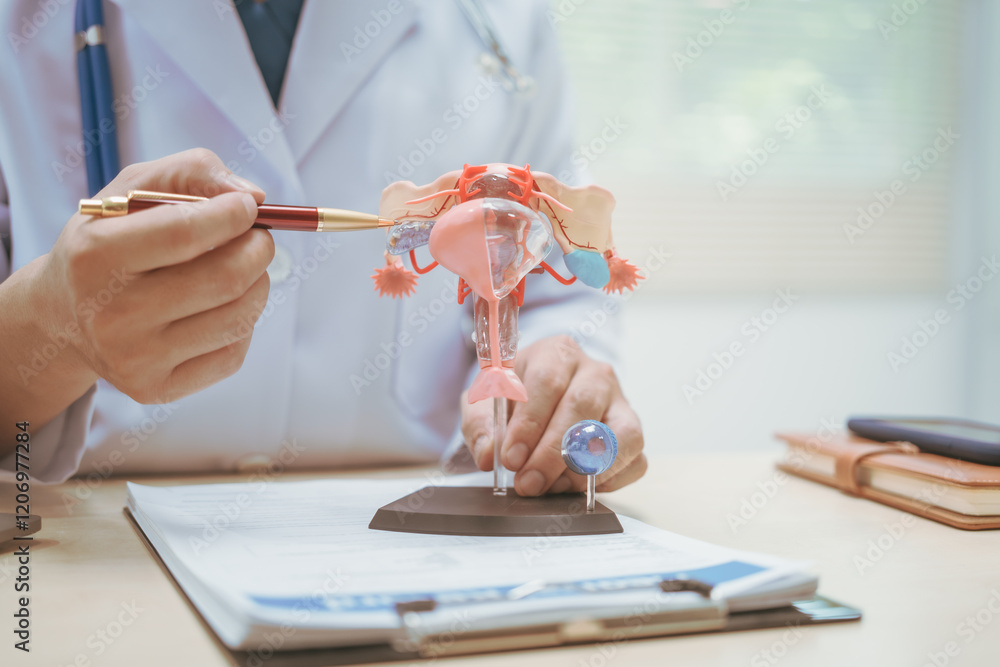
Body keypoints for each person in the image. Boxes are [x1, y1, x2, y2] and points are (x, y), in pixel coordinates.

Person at [0, 0, 646, 497]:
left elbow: (554, 272)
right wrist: (49, 325)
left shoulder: (500, 17)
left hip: (408, 534)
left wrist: (560, 379)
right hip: (85, 537)